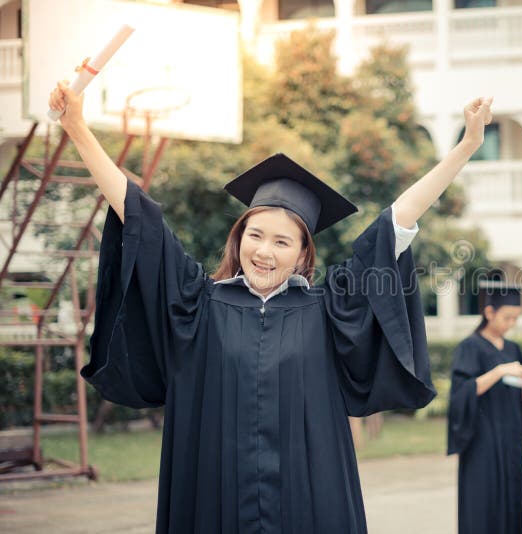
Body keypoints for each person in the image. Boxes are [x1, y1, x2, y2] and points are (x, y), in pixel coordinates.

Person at [48, 80, 494, 532]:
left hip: (309, 503)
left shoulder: (328, 310)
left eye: (282, 241)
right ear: (239, 238)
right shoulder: (197, 305)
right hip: (214, 499)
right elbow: (139, 216)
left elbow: (395, 224)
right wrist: (78, 127)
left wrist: (466, 146)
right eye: (255, 235)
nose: (264, 251)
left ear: (303, 253)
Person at [447, 282, 522, 534]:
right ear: (489, 313)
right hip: (481, 440)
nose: (511, 323)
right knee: (483, 503)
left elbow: (519, 398)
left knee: (511, 500)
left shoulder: (513, 349)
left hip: (509, 438)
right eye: (507, 317)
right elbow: (461, 393)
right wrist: (499, 371)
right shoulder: (469, 347)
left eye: (515, 318)